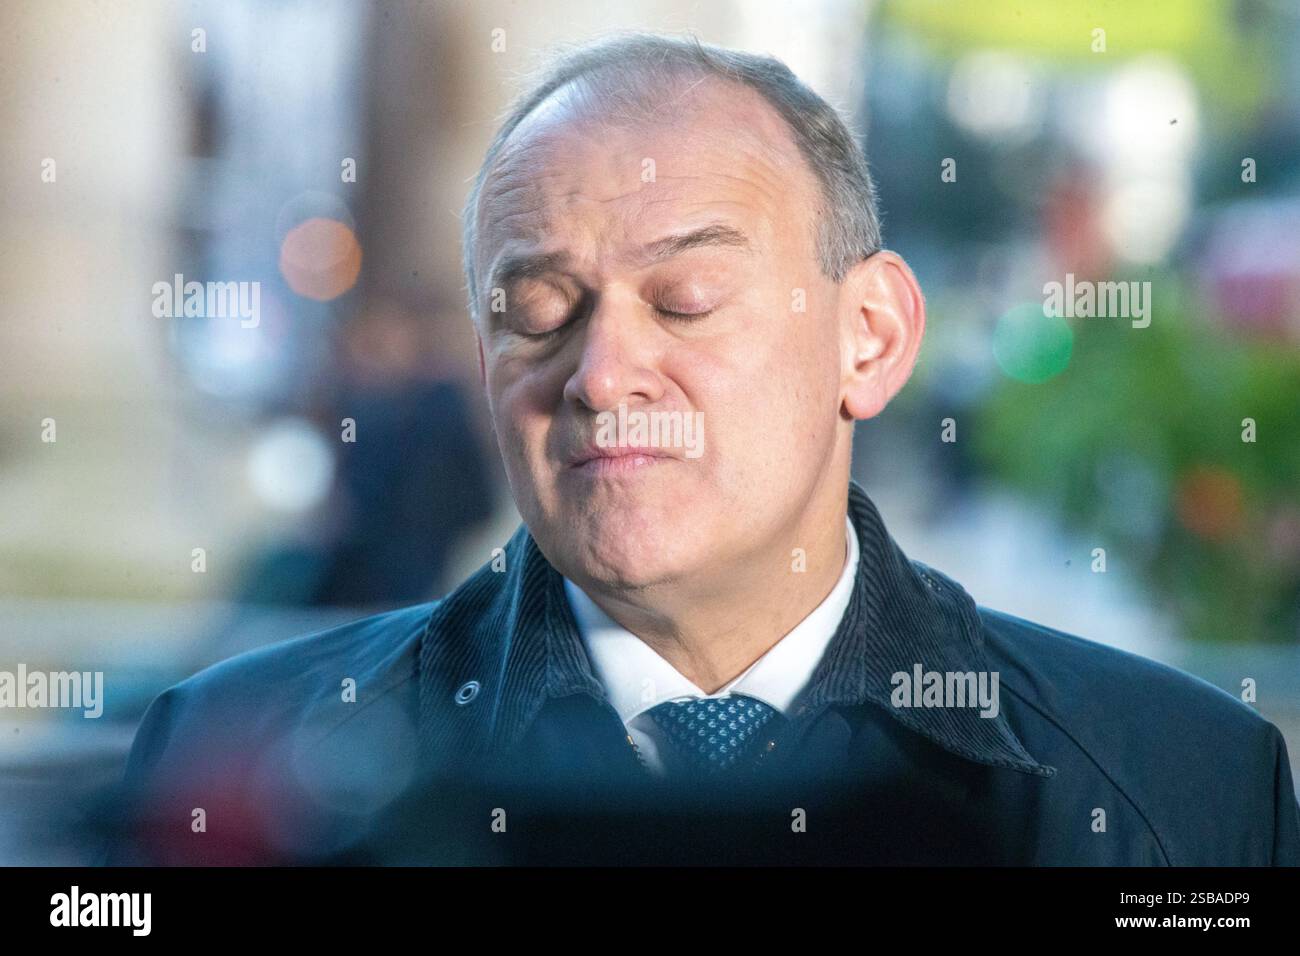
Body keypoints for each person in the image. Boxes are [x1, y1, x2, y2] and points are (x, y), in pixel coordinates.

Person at [106, 32, 1299, 866]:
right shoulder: (234, 769)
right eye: (537, 311)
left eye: (684, 301)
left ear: (871, 337)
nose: (601, 372)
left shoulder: (1179, 786)